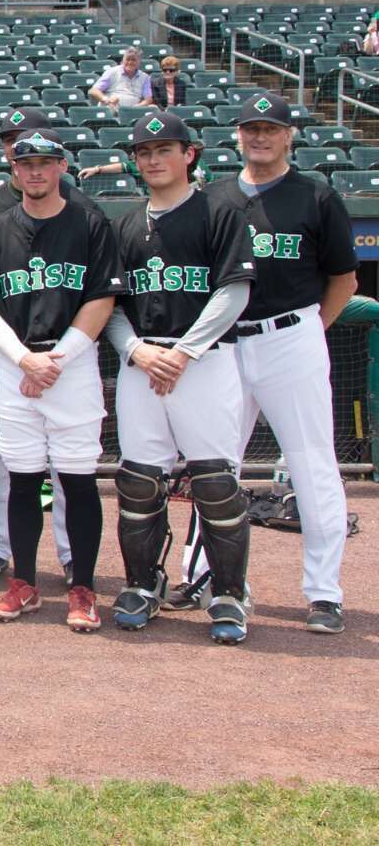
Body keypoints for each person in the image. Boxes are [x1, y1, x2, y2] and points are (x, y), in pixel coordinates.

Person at [203, 91, 357, 636]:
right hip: (224, 343)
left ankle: (324, 592)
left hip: (290, 334)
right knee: (214, 464)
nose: (260, 136)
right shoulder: (214, 196)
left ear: (290, 135)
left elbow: (344, 278)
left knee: (312, 463)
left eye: (271, 127)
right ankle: (210, 578)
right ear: (238, 134)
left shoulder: (315, 197)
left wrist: (313, 329)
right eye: (251, 127)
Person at [102, 110, 256, 643]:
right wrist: (140, 351)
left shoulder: (221, 213)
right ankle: (143, 585)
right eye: (144, 152)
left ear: (189, 154)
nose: (152, 159)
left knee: (215, 482)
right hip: (144, 362)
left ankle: (229, 594)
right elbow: (112, 305)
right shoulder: (124, 224)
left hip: (204, 362)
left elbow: (234, 291)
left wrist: (184, 352)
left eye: (163, 149)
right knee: (139, 481)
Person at [0, 130, 121, 630]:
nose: (34, 171)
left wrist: (56, 359)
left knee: (77, 481)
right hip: (15, 368)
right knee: (23, 481)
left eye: (44, 162)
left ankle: (83, 590)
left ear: (61, 166)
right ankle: (24, 584)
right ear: (14, 169)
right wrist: (23, 360)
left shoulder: (90, 224)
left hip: (72, 367)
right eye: (24, 162)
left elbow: (101, 299)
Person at [89, 46, 154, 108]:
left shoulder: (145, 77)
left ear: (139, 62)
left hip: (135, 109)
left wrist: (137, 107)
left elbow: (148, 100)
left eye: (133, 60)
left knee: (154, 108)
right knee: (110, 107)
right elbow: (93, 90)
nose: (130, 62)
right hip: (112, 106)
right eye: (127, 59)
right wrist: (107, 99)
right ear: (123, 60)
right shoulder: (112, 72)